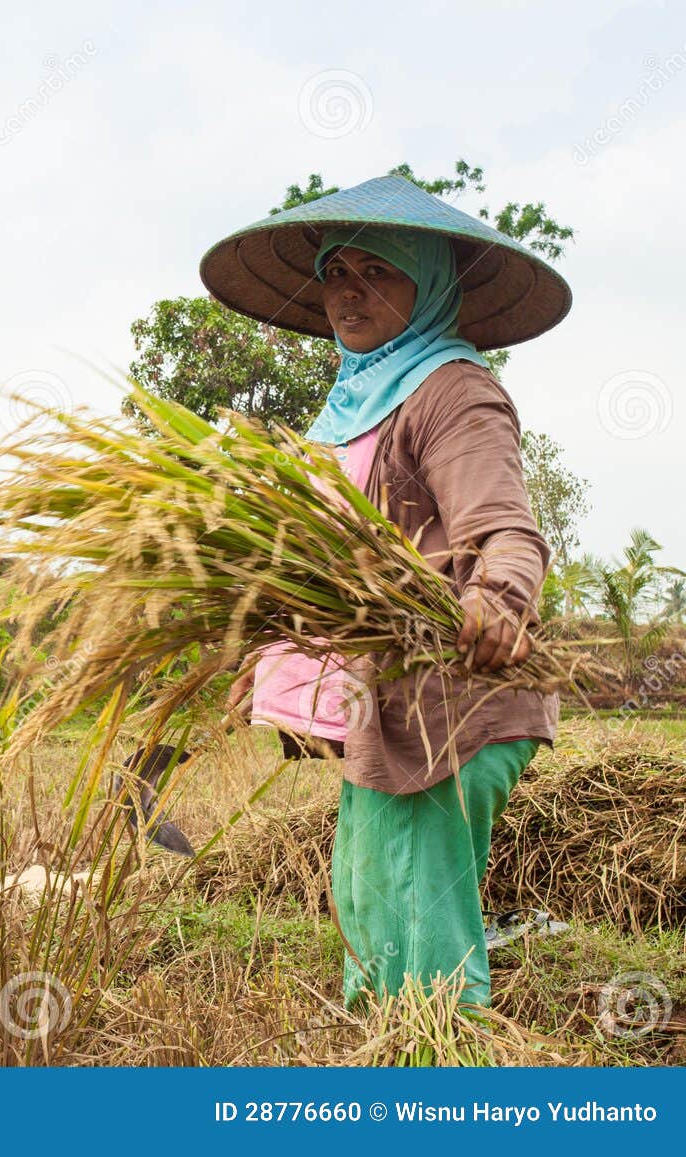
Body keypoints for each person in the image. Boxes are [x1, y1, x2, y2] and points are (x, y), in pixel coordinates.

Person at [198, 174, 571, 1010]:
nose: (349, 291)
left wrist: (500, 600)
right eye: (337, 271)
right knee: (368, 888)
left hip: (455, 693)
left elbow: (504, 526)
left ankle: (438, 1061)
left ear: (430, 287)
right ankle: (380, 1050)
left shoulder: (453, 390)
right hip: (389, 699)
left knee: (416, 904)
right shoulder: (352, 403)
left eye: (380, 272)